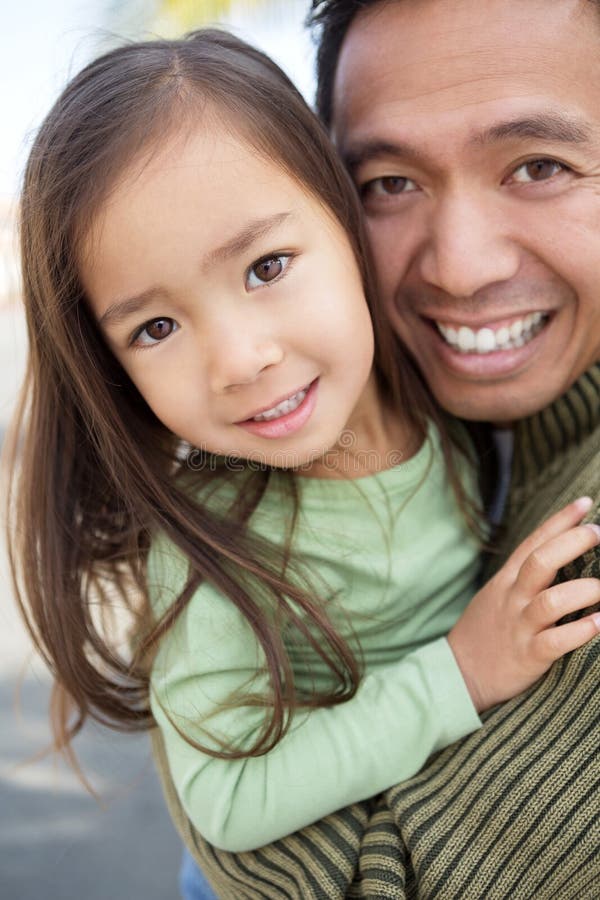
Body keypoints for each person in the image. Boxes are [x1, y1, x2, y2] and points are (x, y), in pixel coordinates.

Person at [7, 24, 599, 896]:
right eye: (157, 327)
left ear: (345, 225)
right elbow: (231, 802)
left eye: (267, 267)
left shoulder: (438, 394)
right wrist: (458, 674)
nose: (239, 359)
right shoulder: (210, 548)